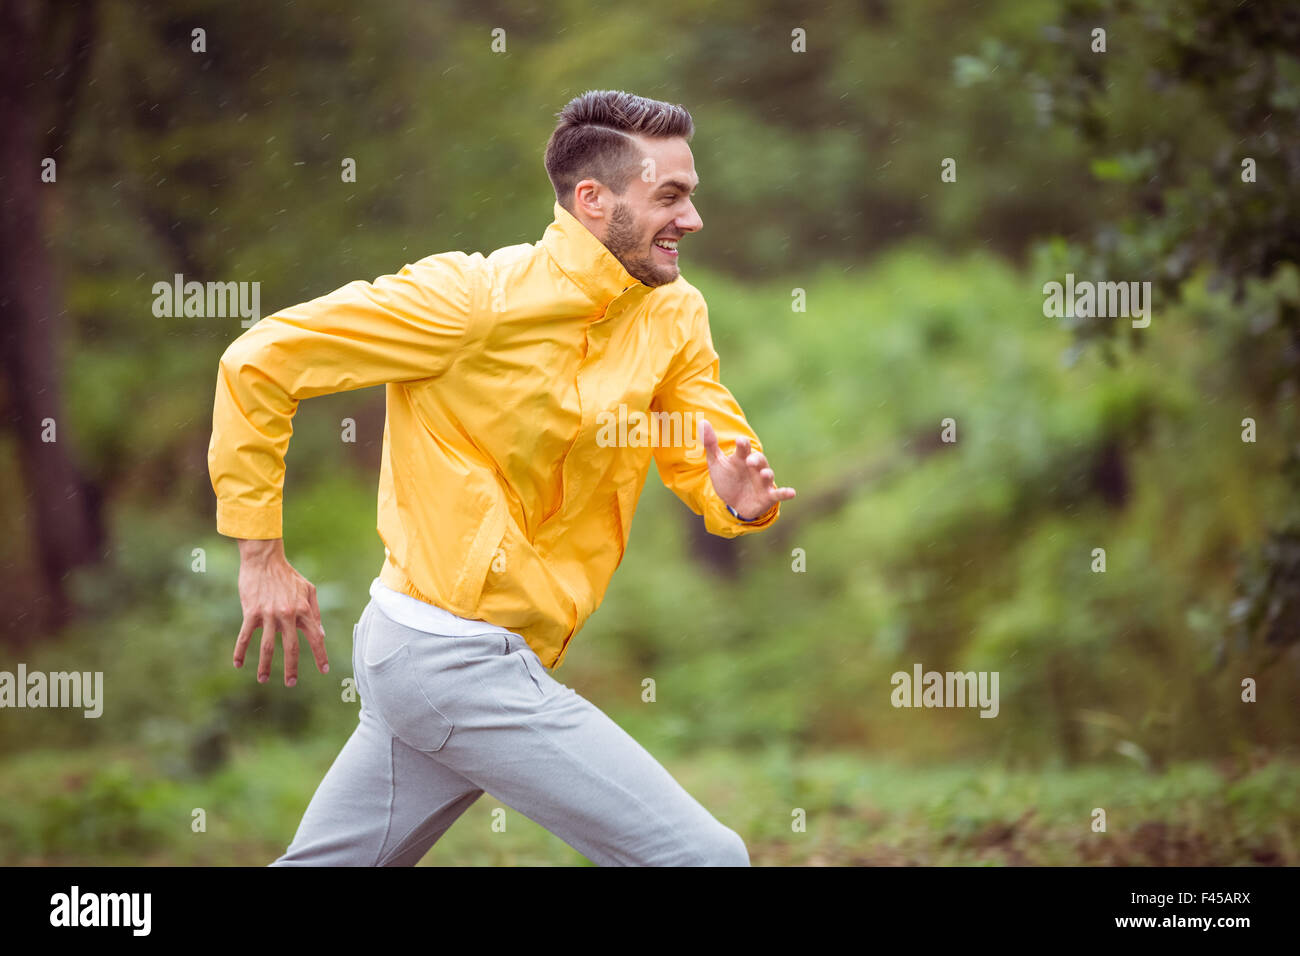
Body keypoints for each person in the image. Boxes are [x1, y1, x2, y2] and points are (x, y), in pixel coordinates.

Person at [207, 89, 796, 866]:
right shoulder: (468, 302)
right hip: (448, 655)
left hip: (449, 658)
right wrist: (261, 555)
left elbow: (705, 444)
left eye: (691, 196)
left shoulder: (672, 312)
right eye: (671, 197)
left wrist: (735, 502)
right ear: (593, 200)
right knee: (701, 859)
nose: (691, 219)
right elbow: (259, 362)